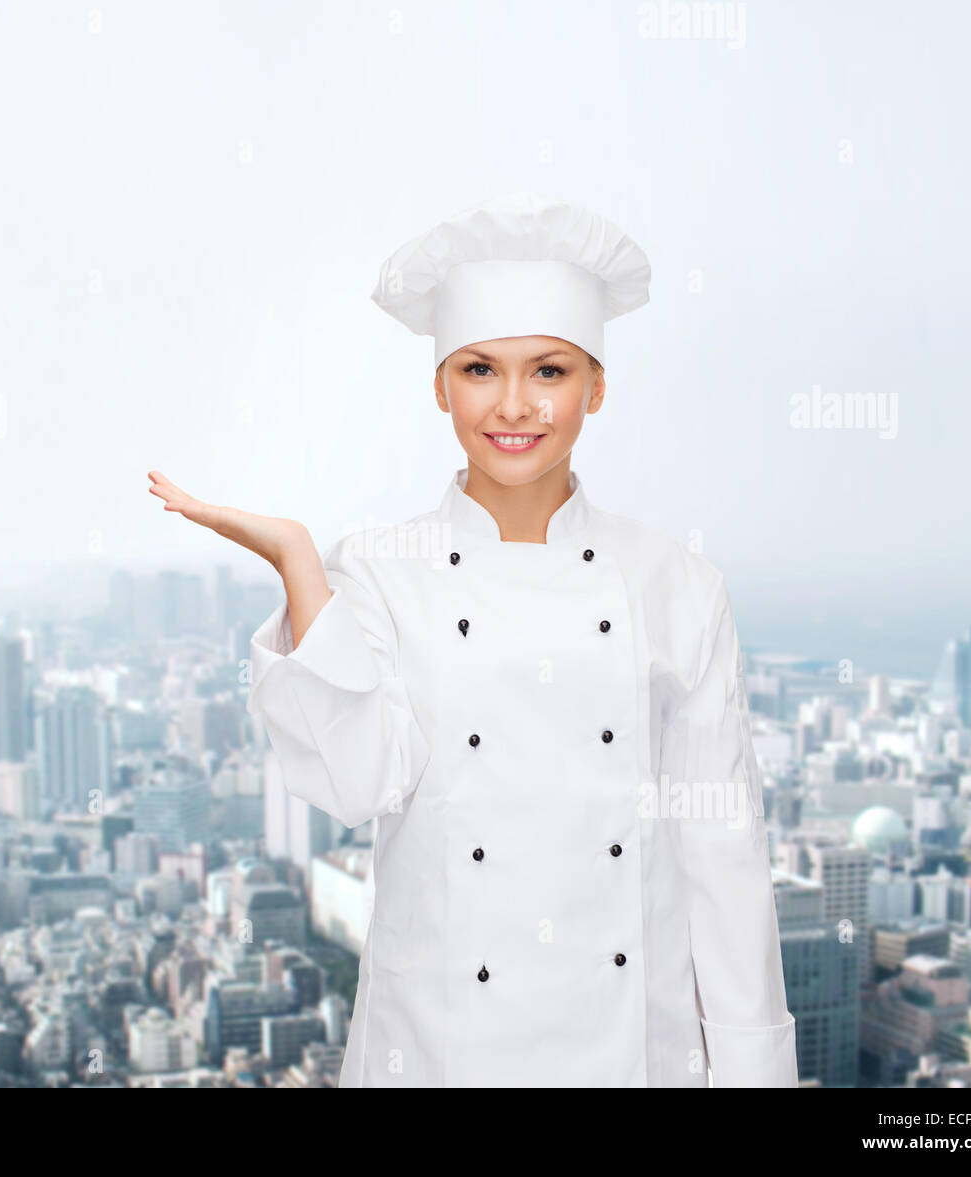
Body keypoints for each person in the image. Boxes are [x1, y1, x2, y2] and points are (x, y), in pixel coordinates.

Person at [147, 192, 798, 1088]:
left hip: (634, 1051)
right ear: (442, 385)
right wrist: (300, 563)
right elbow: (352, 780)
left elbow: (722, 852)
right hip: (440, 1046)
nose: (516, 405)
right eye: (482, 370)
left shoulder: (677, 584)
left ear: (597, 387)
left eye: (551, 372)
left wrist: (754, 1069)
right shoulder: (377, 569)